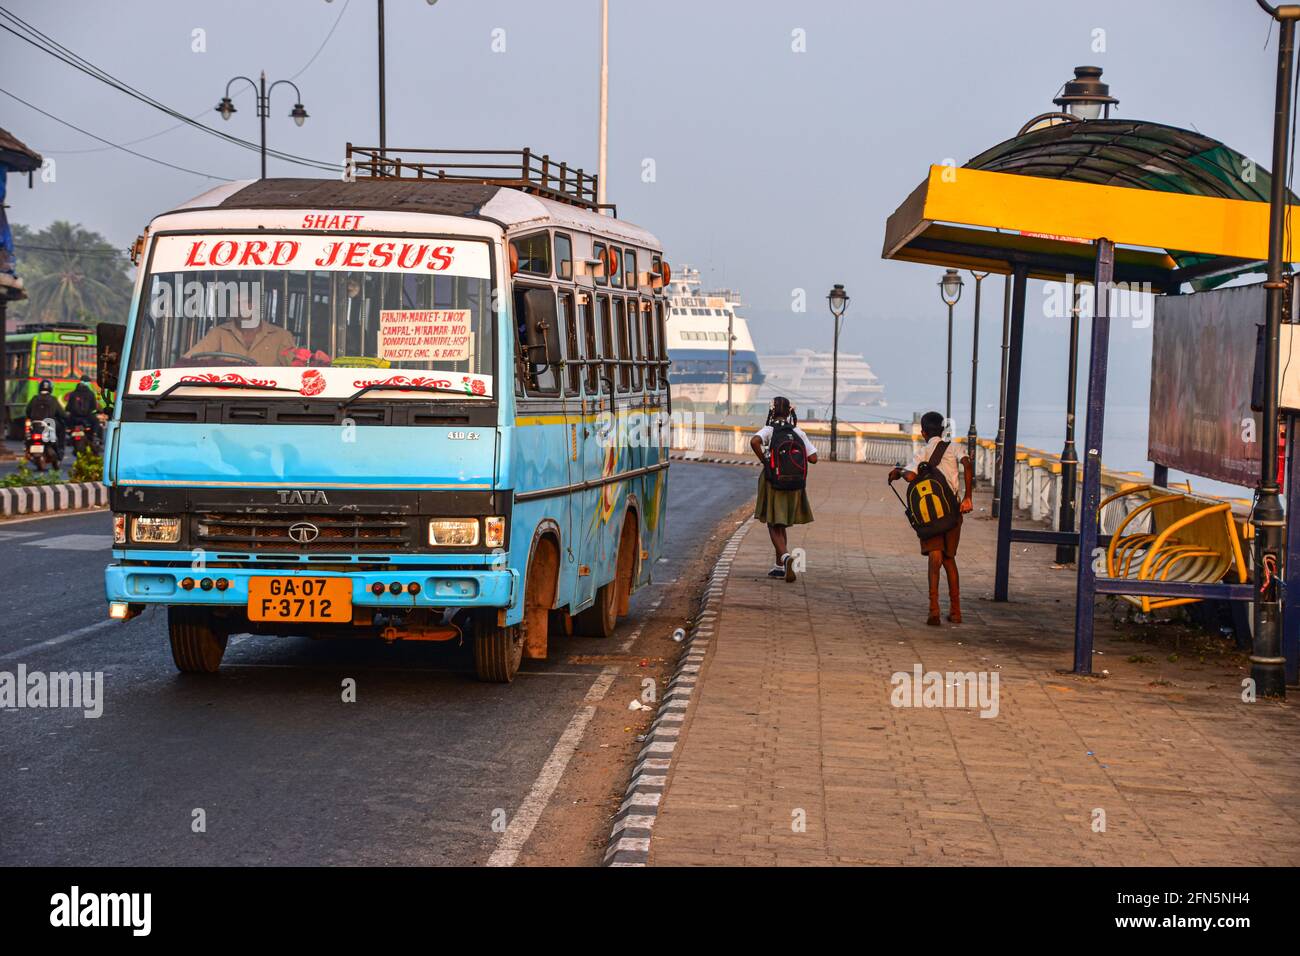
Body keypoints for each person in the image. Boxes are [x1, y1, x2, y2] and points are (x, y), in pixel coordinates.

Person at [889, 411, 974, 626]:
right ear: (944, 430)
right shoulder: (955, 447)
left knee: (935, 559)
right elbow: (967, 464)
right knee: (949, 559)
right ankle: (956, 611)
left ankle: (933, 609)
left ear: (923, 432)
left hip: (932, 515)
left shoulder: (923, 452)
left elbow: (910, 476)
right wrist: (968, 497)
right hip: (954, 513)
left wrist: (898, 471)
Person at [749, 396, 818, 582]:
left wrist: (765, 461)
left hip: (774, 481)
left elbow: (754, 441)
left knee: (773, 523)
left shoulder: (770, 429)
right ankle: (779, 566)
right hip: (795, 484)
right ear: (789, 411)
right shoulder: (797, 431)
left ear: (772, 411)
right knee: (782, 523)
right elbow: (814, 458)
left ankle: (786, 557)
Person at [183, 282, 297, 366]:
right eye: (235, 303)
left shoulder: (282, 336)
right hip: (225, 395)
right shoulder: (218, 333)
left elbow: (296, 372)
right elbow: (188, 362)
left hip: (267, 397)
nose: (240, 308)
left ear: (257, 304)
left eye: (246, 302)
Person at [24, 378, 67, 459]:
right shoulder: (53, 399)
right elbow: (61, 414)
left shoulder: (34, 398)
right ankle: (60, 449)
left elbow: (27, 411)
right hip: (48, 425)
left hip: (35, 425)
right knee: (62, 427)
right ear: (50, 389)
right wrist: (65, 417)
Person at [64, 375, 101, 444]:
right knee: (96, 421)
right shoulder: (91, 394)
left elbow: (68, 407)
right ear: (87, 383)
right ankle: (95, 435)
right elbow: (93, 407)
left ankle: (68, 434)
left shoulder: (72, 394)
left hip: (74, 418)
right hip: (87, 417)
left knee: (65, 421)